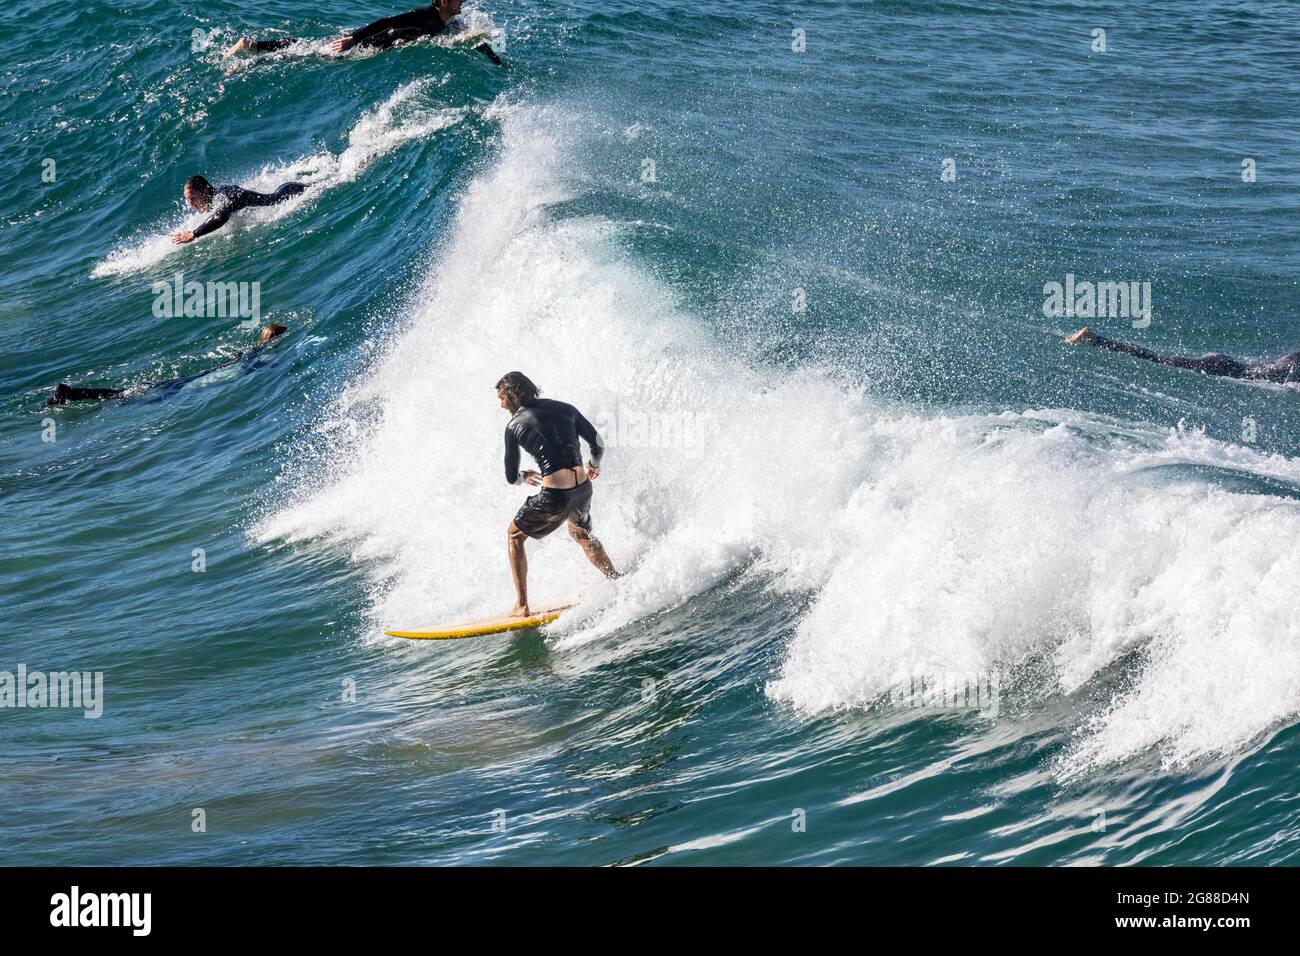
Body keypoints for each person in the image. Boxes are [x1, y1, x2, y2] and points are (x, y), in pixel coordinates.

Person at [497, 371, 617, 618]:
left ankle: (521, 605)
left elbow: (511, 476)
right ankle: (615, 579)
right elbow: (598, 443)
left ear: (513, 393)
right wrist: (593, 464)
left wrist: (523, 476)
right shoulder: (565, 408)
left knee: (514, 536)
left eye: (502, 398)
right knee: (581, 533)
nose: (501, 405)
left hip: (555, 495)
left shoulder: (513, 426)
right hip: (583, 489)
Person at [44, 324, 288, 406]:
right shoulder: (259, 355)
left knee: (125, 394)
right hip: (190, 385)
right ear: (275, 339)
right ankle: (73, 395)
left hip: (192, 379)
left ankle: (73, 394)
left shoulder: (250, 350)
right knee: (127, 399)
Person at [224, 1, 504, 65]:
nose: (462, 2)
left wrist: (497, 62)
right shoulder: (423, 16)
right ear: (442, 2)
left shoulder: (452, 22)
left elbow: (474, 40)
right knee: (309, 53)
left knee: (310, 49)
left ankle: (254, 48)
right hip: (367, 45)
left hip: (375, 48)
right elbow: (385, 20)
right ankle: (253, 50)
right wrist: (353, 39)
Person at [1065, 327, 1300, 384]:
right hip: (1224, 368)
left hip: (1224, 362)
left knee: (1159, 357)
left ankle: (1098, 340)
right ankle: (1097, 340)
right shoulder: (1295, 363)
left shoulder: (1294, 358)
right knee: (1158, 359)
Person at [171, 176, 308, 244]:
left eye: (193, 198)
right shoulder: (217, 197)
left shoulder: (221, 198)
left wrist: (194, 234)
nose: (190, 204)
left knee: (275, 198)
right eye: (188, 200)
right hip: (285, 190)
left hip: (288, 193)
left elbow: (220, 217)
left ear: (205, 191)